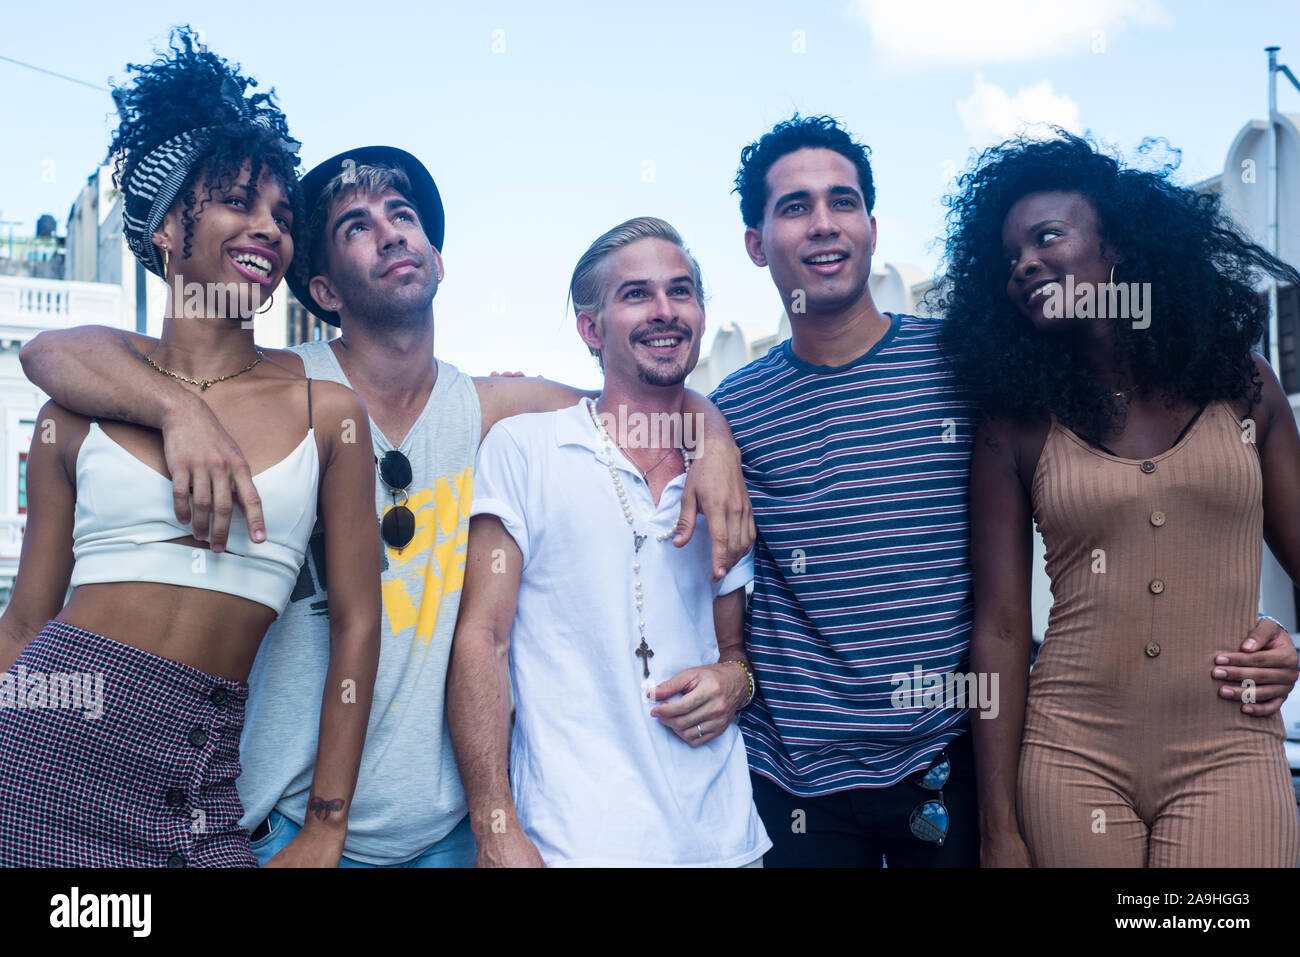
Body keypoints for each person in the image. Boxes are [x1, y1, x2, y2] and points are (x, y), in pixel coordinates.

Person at [19, 156, 755, 867]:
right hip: (276, 816)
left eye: (405, 217)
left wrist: (712, 434)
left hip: (446, 830)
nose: (394, 232)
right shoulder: (273, 388)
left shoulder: (496, 410)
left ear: (439, 260)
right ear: (322, 289)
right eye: (357, 226)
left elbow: (641, 390)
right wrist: (175, 407)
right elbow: (54, 351)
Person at [708, 114, 1300, 867]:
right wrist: (704, 431)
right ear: (757, 243)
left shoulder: (967, 370)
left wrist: (1285, 646)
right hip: (820, 777)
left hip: (955, 763)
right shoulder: (735, 409)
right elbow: (999, 623)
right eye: (795, 207)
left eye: (843, 201)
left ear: (872, 224)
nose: (824, 224)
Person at [0, 28, 380, 868]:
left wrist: (326, 822)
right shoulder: (77, 411)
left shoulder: (327, 415)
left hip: (199, 783)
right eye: (240, 202)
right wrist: (181, 411)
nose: (270, 230)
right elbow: (26, 619)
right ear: (170, 223)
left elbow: (359, 624)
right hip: (37, 764)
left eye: (283, 217)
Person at [937, 130, 1300, 867]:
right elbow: (1002, 633)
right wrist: (999, 829)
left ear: (1121, 246)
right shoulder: (1014, 424)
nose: (1024, 266)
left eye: (1045, 238)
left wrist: (1294, 650)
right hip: (1071, 756)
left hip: (1228, 747)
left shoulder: (1245, 386)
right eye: (1009, 259)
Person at [447, 217, 770, 866]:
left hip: (725, 844)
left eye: (681, 292)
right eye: (636, 294)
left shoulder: (723, 472)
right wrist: (494, 823)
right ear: (591, 329)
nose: (664, 311)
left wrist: (735, 683)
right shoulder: (525, 448)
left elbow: (734, 650)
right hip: (572, 844)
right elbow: (483, 639)